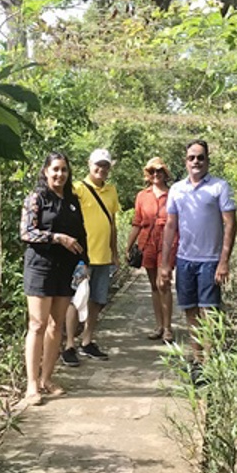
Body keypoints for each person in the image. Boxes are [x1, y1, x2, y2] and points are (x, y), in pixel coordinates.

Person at [158, 140, 237, 365]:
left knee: (209, 312)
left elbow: (230, 224)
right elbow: (170, 226)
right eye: (191, 158)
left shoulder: (220, 187)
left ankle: (210, 363)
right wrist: (165, 263)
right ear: (185, 161)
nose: (196, 161)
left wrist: (224, 261)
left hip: (210, 261)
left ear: (207, 160)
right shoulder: (177, 189)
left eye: (200, 157)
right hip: (185, 260)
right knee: (190, 310)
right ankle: (197, 360)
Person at [19, 152, 88, 406]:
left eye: (64, 170)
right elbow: (26, 232)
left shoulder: (72, 201)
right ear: (46, 171)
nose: (60, 174)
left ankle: (47, 379)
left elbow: (82, 235)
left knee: (56, 325)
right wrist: (56, 238)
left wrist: (84, 264)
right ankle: (32, 384)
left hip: (66, 269)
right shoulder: (36, 198)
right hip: (40, 266)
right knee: (37, 324)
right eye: (55, 169)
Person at [62, 148, 119, 366]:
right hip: (81, 257)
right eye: (98, 165)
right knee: (76, 300)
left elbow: (112, 224)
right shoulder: (77, 189)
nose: (101, 169)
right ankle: (69, 345)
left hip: (103, 256)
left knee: (97, 300)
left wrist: (114, 252)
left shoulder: (111, 191)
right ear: (89, 164)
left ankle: (87, 340)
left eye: (105, 165)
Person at [128, 156, 176, 342]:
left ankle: (168, 328)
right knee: (154, 286)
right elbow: (137, 222)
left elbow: (178, 222)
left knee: (163, 283)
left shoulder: (173, 194)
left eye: (159, 171)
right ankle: (159, 326)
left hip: (167, 242)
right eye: (152, 171)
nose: (156, 174)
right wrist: (129, 246)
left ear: (165, 173)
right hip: (147, 242)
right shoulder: (142, 196)